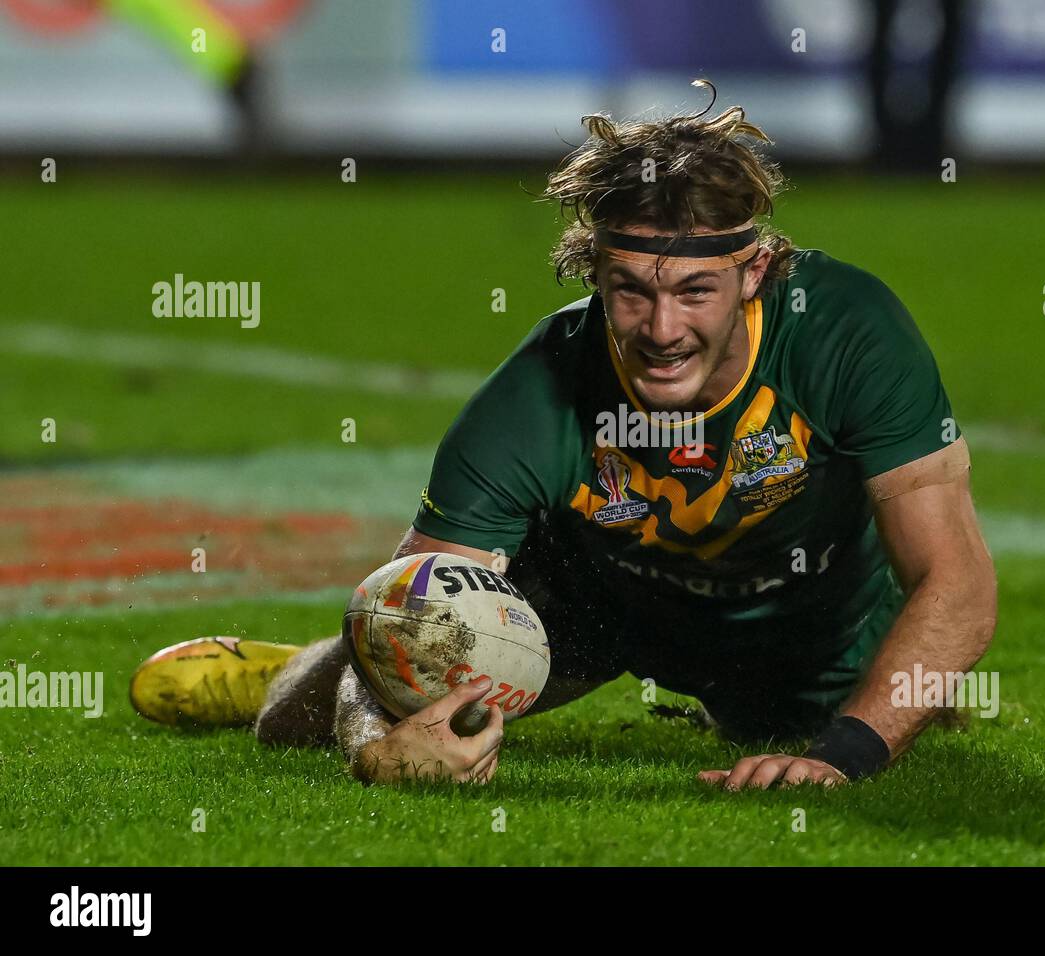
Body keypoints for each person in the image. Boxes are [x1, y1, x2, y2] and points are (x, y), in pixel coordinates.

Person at [131, 83, 997, 790]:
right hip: (599, 606)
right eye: (631, 290)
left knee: (858, 716)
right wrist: (375, 746)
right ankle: (294, 667)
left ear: (756, 272)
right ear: (594, 271)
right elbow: (402, 609)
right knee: (299, 720)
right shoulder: (534, 393)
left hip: (812, 624)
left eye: (695, 291)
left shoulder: (849, 333)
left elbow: (954, 579)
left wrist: (844, 754)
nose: (663, 329)